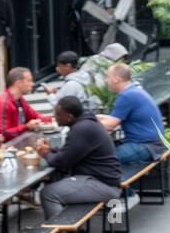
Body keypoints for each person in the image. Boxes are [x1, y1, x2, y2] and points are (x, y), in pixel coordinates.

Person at [35, 96, 123, 224]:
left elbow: (61, 162)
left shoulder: (81, 129)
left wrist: (45, 153)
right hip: (102, 179)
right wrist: (51, 150)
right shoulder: (85, 123)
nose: (55, 117)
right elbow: (71, 152)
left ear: (69, 116)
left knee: (49, 193)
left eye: (58, 114)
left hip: (103, 185)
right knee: (58, 183)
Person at [97, 63, 167, 164]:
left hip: (147, 146)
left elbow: (111, 125)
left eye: (108, 77)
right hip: (154, 144)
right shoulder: (133, 90)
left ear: (116, 79)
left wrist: (86, 125)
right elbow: (115, 118)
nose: (106, 81)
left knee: (103, 158)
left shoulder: (127, 96)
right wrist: (94, 117)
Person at [0, 67, 50, 142]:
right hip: (5, 149)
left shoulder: (19, 99)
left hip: (18, 143)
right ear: (18, 83)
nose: (32, 84)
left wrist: (53, 119)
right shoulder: (2, 103)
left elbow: (34, 115)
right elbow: (0, 134)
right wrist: (26, 127)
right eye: (29, 81)